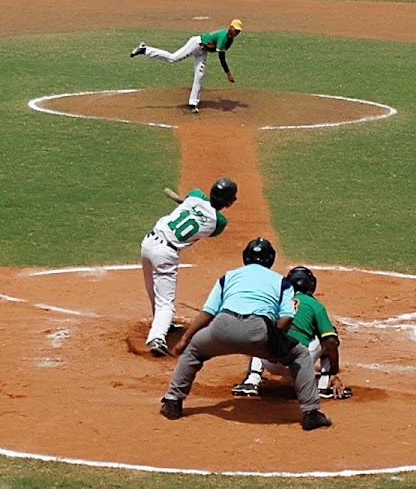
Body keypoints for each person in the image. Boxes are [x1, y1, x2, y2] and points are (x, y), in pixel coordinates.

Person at [158, 238, 332, 431]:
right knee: (299, 355)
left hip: (222, 327)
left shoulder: (228, 277)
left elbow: (207, 314)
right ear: (270, 259)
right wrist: (274, 337)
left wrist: (184, 339)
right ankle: (311, 413)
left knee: (194, 350)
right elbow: (286, 320)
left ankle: (173, 402)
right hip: (258, 331)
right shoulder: (282, 282)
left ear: (246, 257)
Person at [142, 178, 238, 357]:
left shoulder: (195, 195)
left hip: (148, 243)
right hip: (165, 253)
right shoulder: (218, 222)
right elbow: (206, 220)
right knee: (165, 303)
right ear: (228, 201)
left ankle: (162, 323)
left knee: (153, 290)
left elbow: (192, 200)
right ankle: (157, 338)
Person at [230, 266, 350, 400]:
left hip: (270, 362)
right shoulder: (315, 304)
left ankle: (252, 380)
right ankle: (323, 385)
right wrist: (335, 371)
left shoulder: (275, 300)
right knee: (328, 335)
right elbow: (331, 342)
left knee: (264, 330)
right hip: (299, 362)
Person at [130, 20, 242, 114]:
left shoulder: (229, 39)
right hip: (196, 45)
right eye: (235, 30)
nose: (236, 32)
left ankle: (193, 103)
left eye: (238, 31)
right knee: (173, 58)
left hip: (203, 51)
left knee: (199, 75)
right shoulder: (224, 37)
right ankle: (145, 49)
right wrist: (228, 73)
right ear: (230, 27)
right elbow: (221, 57)